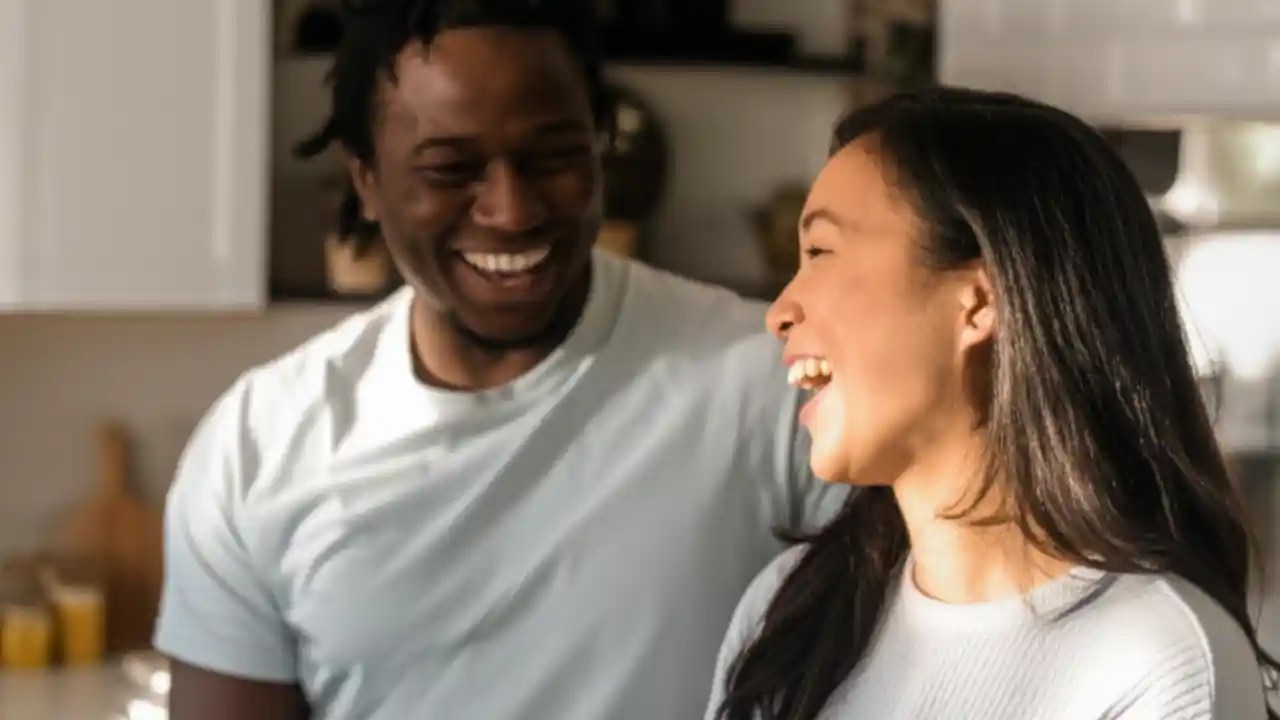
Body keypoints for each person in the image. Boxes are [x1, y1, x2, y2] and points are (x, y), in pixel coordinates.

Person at [154, 1, 845, 718]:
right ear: (365, 179)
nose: (511, 210)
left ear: (599, 144)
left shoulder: (773, 386)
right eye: (450, 168)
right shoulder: (259, 443)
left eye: (553, 157)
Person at [707, 86, 1279, 720]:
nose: (781, 312)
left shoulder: (1159, 662)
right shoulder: (788, 610)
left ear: (979, 302)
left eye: (820, 252)